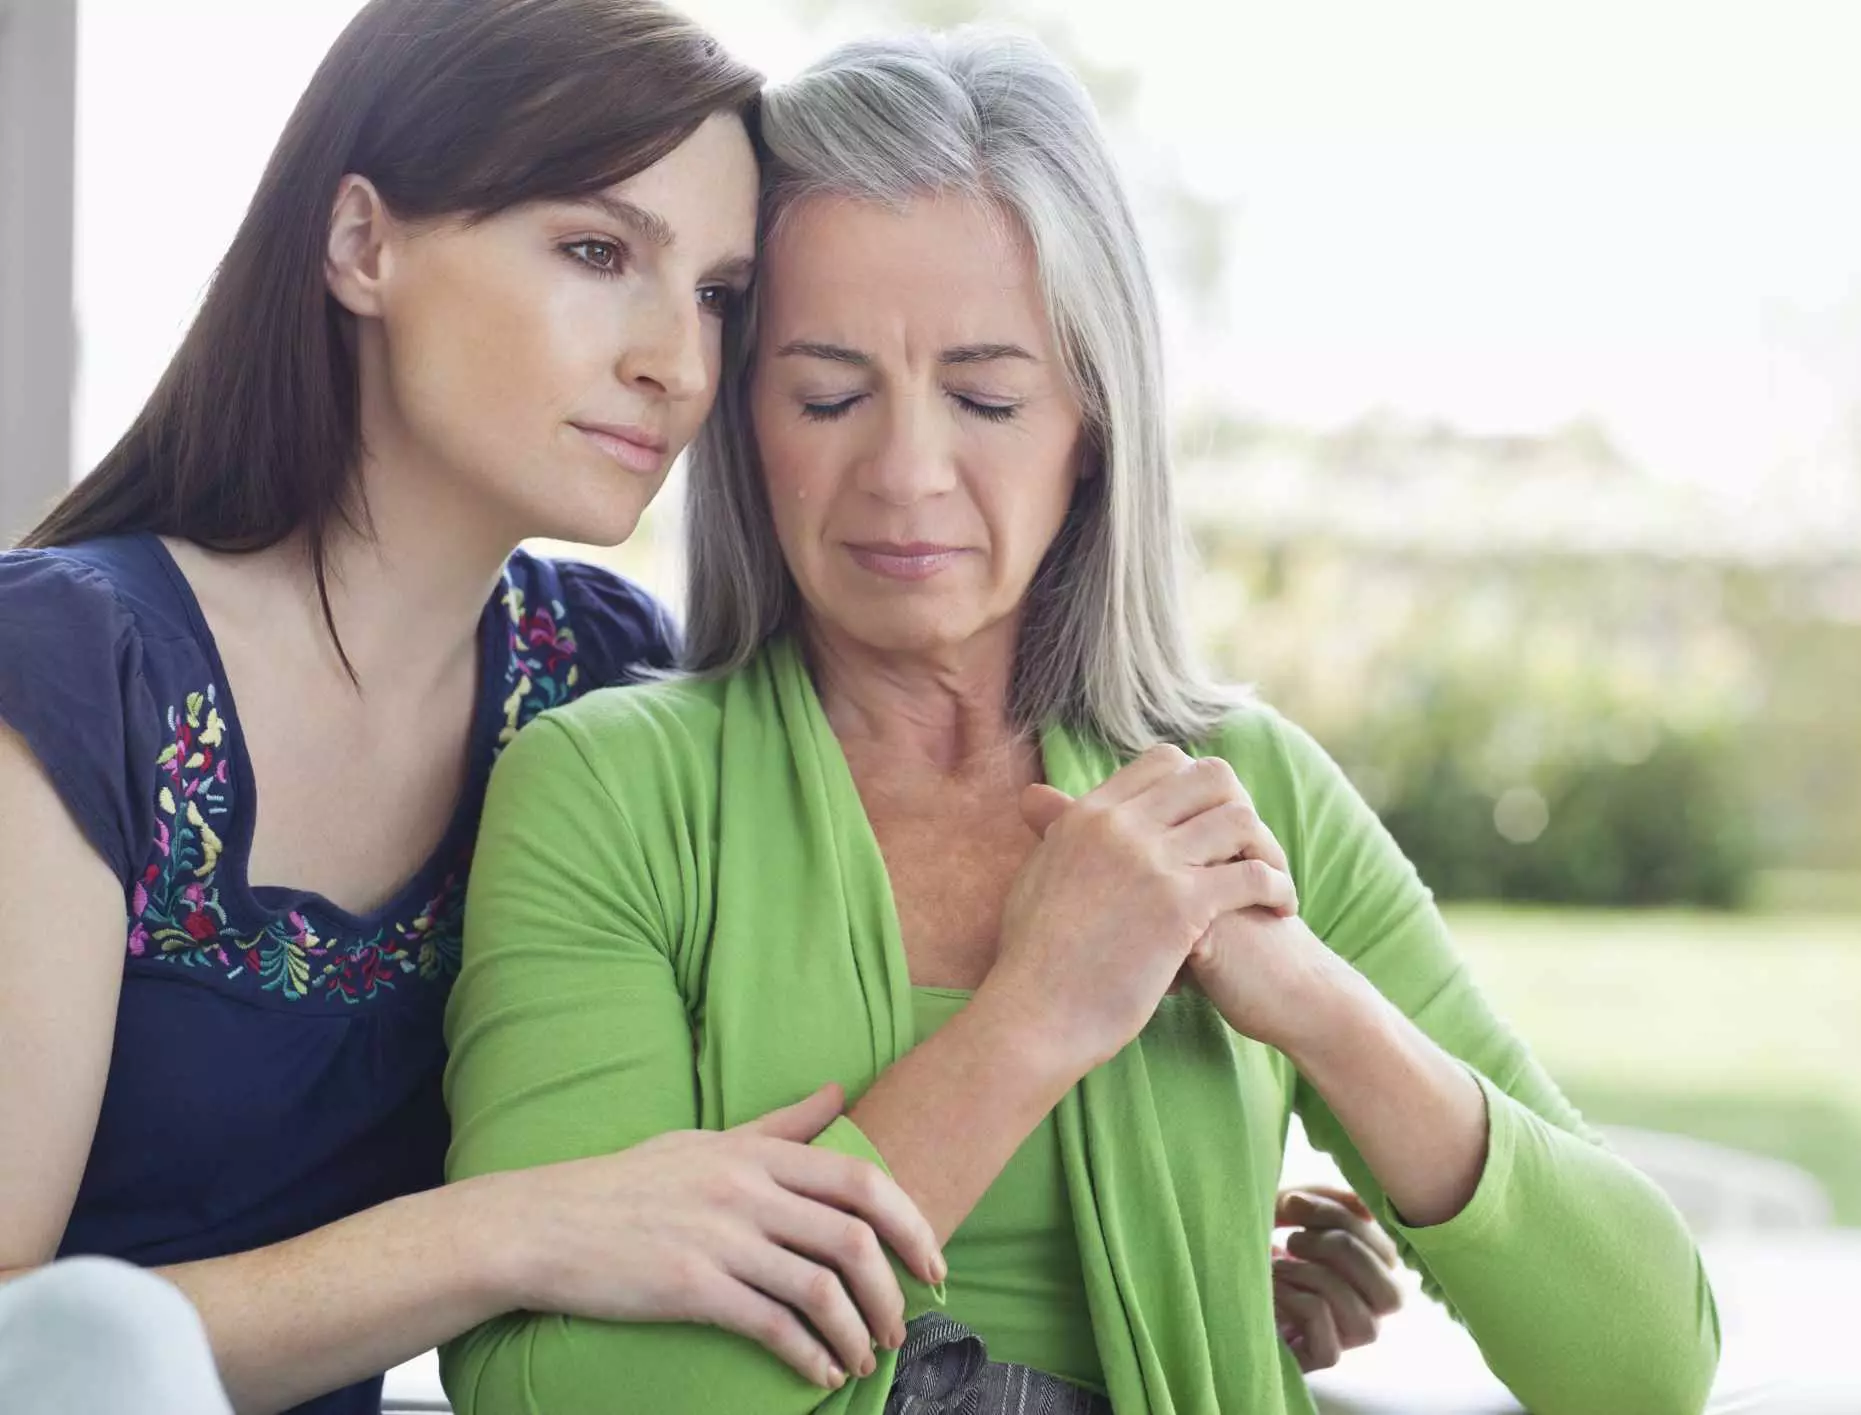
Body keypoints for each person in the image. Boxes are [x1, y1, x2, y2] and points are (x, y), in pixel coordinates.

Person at [0, 3, 1395, 1410]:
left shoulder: (590, 678)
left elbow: (718, 1199)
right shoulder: (73, 670)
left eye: (721, 295)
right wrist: (506, 1230)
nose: (676, 362)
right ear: (363, 243)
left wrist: (1179, 1254)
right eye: (598, 253)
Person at [440, 26, 1723, 1415]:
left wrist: (1313, 1009)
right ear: (745, 415)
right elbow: (549, 1394)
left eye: (987, 397)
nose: (906, 473)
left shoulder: (1247, 788)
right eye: (828, 393)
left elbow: (1645, 1366)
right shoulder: (608, 792)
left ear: (1091, 423)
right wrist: (1037, 1014)